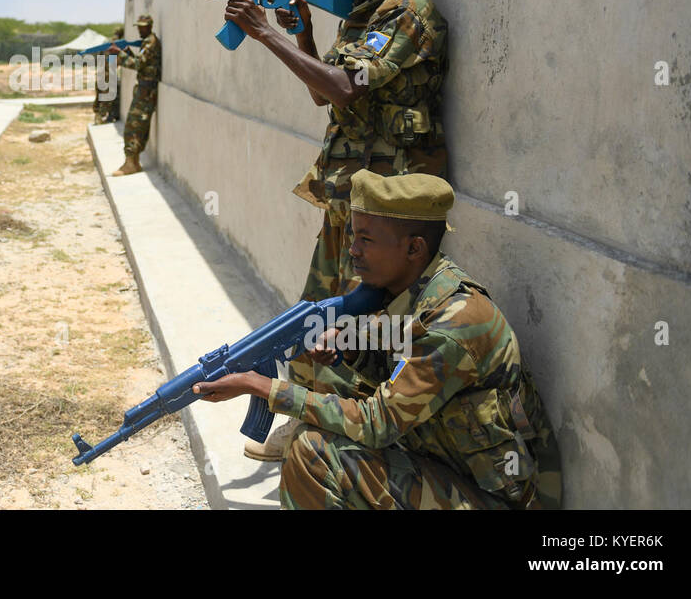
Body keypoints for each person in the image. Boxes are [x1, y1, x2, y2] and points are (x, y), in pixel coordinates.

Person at [223, 0, 449, 461]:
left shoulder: (407, 12)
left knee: (362, 318)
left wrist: (263, 36)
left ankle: (337, 429)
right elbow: (327, 91)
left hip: (391, 198)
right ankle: (306, 419)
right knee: (319, 308)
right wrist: (300, 38)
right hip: (352, 192)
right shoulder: (363, 15)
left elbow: (347, 89)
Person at [192, 170, 562, 510]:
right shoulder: (412, 291)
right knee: (320, 373)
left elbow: (377, 423)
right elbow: (396, 357)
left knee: (313, 451)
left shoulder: (454, 322)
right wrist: (348, 348)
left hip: (493, 499)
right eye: (354, 235)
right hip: (445, 467)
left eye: (366, 240)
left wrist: (262, 387)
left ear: (414, 249)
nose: (353, 249)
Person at [108, 14, 160, 176]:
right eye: (138, 26)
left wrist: (120, 55)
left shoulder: (150, 42)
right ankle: (133, 162)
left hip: (146, 91)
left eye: (142, 26)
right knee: (138, 126)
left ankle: (131, 163)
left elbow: (138, 64)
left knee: (133, 126)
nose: (139, 29)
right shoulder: (147, 42)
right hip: (144, 90)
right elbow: (142, 62)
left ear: (149, 26)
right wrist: (127, 52)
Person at [93, 29, 123, 124]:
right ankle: (100, 117)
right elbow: (115, 61)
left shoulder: (106, 43)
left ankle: (99, 114)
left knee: (100, 96)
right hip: (108, 75)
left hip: (101, 74)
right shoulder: (117, 45)